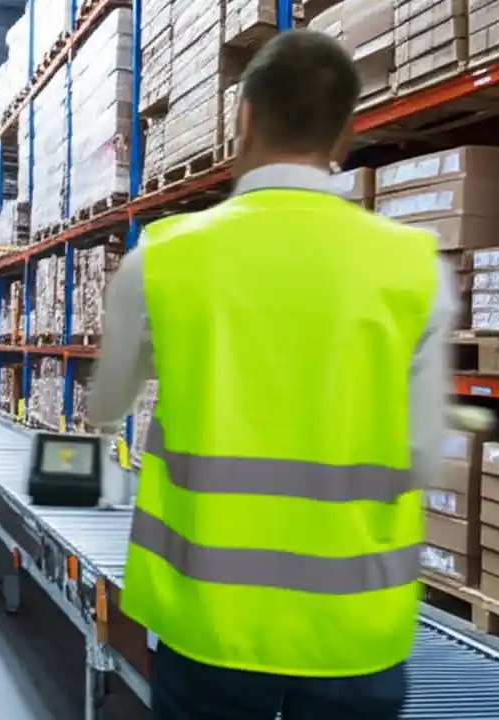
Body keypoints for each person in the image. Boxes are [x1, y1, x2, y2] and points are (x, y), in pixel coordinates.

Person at [85, 29, 455, 720]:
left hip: (209, 627)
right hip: (356, 635)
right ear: (345, 137)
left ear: (243, 119)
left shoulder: (160, 260)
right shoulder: (417, 269)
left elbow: (105, 406)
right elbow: (425, 459)